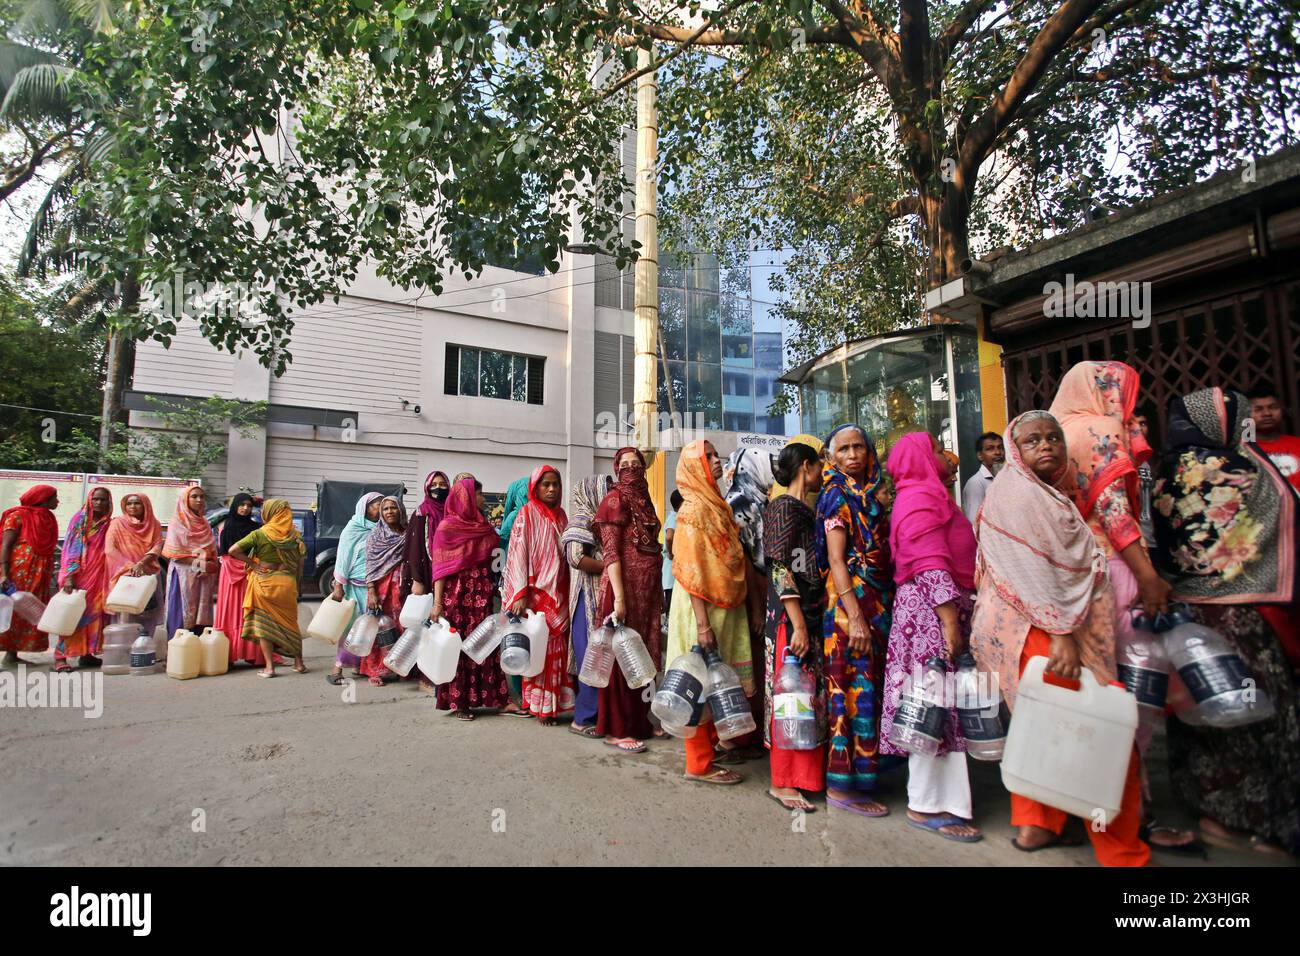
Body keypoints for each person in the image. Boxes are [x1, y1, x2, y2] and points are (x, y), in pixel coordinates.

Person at [972, 409, 1149, 866]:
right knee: (1099, 733)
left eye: (1053, 438)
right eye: (1032, 441)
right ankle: (1122, 850)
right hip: (1043, 631)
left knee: (1044, 728)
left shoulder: (1052, 496)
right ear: (1015, 449)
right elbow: (1032, 576)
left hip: (1035, 630)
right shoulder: (1020, 496)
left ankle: (1038, 825)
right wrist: (1062, 634)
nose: (1047, 445)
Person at [1049, 361, 1193, 851]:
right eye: (1125, 391)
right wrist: (1150, 577)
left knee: (1086, 694)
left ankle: (1080, 806)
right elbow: (1114, 513)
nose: (1127, 402)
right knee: (1129, 696)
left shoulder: (1054, 433)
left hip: (1069, 579)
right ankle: (1132, 816)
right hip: (1113, 572)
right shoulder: (1099, 430)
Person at [1154, 387, 1300, 857]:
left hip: (1187, 616)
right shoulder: (1235, 468)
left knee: (1204, 710)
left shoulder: (1164, 472)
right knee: (1256, 712)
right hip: (1238, 613)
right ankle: (1251, 818)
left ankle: (1213, 812)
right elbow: (1282, 512)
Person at [881, 433, 982, 841]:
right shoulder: (919, 499)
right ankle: (926, 804)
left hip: (935, 612)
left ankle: (946, 801)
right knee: (930, 705)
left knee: (942, 706)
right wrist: (949, 623)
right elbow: (929, 564)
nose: (948, 456)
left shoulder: (929, 495)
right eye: (939, 450)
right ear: (922, 458)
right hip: (929, 615)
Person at [815, 424, 895, 814]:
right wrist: (856, 617)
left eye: (859, 447)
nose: (852, 455)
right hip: (848, 610)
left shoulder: (873, 496)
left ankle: (866, 779)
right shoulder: (836, 496)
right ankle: (843, 788)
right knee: (847, 691)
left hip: (875, 604)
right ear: (831, 457)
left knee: (869, 688)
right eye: (844, 449)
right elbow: (835, 560)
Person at [665, 439, 752, 784]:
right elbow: (689, 570)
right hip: (700, 609)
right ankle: (698, 764)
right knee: (699, 680)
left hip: (724, 607)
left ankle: (711, 750)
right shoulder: (693, 512)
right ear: (694, 467)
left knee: (717, 679)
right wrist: (702, 625)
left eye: (716, 455)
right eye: (708, 457)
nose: (717, 461)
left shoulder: (717, 506)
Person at [763, 441, 827, 812]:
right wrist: (798, 622)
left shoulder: (804, 510)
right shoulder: (783, 509)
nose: (822, 473)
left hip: (808, 613)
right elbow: (777, 566)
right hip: (792, 617)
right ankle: (784, 781)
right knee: (792, 696)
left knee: (806, 696)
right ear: (807, 466)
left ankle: (804, 776)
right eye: (820, 466)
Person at [594, 447, 664, 752]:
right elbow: (611, 552)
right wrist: (619, 600)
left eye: (637, 464)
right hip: (622, 589)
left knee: (642, 654)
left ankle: (639, 720)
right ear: (616, 469)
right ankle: (618, 729)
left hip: (645, 590)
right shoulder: (614, 499)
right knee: (622, 655)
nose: (632, 469)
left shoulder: (645, 502)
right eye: (625, 465)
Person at [430, 477, 509, 719]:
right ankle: (460, 702)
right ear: (466, 497)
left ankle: (495, 699)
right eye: (479, 494)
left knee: (485, 643)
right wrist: (437, 603)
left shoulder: (483, 525)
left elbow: (496, 557)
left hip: (482, 594)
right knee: (459, 648)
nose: (483, 499)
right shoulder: (447, 529)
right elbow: (441, 570)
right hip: (458, 597)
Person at [503, 466, 574, 723]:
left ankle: (556, 704)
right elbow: (517, 554)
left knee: (558, 648)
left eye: (555, 484)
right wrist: (520, 593)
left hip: (561, 591)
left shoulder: (563, 516)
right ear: (535, 487)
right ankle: (539, 706)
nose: (552, 489)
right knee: (538, 649)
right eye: (546, 484)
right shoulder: (526, 514)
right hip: (535, 594)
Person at [227, 498, 307, 677]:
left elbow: (233, 550)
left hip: (264, 582)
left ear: (269, 513)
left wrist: (253, 565)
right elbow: (300, 565)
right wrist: (298, 587)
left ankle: (270, 668)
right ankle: (299, 663)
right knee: (291, 624)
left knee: (264, 627)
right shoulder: (296, 536)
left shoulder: (260, 533)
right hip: (287, 583)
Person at [562, 473, 613, 739]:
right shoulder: (582, 520)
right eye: (606, 491)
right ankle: (582, 718)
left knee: (601, 656)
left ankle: (599, 714)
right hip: (587, 597)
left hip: (601, 597)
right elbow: (575, 557)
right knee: (589, 658)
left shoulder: (599, 519)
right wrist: (609, 565)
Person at [54, 487, 113, 672]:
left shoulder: (108, 523)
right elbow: (72, 548)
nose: (99, 503)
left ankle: (87, 654)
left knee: (94, 617)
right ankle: (60, 657)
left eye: (103, 500)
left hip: (99, 577)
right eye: (95, 499)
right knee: (71, 616)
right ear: (89, 500)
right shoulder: (80, 520)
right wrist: (70, 576)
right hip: (80, 576)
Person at [0, 485, 60, 664]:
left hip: (40, 572)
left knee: (31, 610)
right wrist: (4, 573)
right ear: (43, 498)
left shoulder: (47, 518)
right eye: (54, 497)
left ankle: (14, 653)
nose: (57, 501)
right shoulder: (17, 516)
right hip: (19, 571)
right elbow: (5, 545)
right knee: (14, 610)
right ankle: (9, 653)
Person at [327, 492, 382, 686]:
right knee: (351, 629)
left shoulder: (382, 529)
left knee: (371, 630)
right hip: (354, 587)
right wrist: (339, 585)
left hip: (375, 585)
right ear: (365, 508)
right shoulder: (353, 529)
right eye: (376, 505)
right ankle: (337, 669)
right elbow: (343, 557)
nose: (380, 508)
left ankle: (362, 666)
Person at [405, 471, 451, 695]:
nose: (439, 488)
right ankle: (425, 676)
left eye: (443, 484)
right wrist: (417, 579)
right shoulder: (421, 512)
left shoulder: (451, 511)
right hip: (426, 572)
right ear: (427, 487)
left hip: (447, 575)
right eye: (435, 484)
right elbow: (413, 548)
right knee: (427, 627)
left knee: (442, 627)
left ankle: (441, 673)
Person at [215, 493, 266, 666]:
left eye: (249, 505)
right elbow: (225, 553)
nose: (245, 508)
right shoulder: (226, 526)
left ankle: (253, 654)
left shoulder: (256, 527)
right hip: (231, 576)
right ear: (235, 505)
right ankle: (228, 654)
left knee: (250, 611)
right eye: (242, 505)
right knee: (230, 611)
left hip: (250, 575)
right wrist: (250, 563)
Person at [104, 493, 165, 635]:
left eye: (137, 503)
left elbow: (157, 546)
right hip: (124, 576)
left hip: (148, 575)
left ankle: (144, 647)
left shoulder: (154, 524)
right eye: (129, 503)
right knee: (125, 614)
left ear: (145, 506)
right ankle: (125, 649)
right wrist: (132, 567)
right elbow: (110, 550)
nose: (132, 506)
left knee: (148, 612)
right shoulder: (117, 524)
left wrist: (142, 564)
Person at [362, 496, 407, 686]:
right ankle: (375, 671)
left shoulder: (408, 533)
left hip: (402, 588)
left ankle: (398, 667)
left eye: (393, 508)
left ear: (400, 510)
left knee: (401, 628)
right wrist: (371, 592)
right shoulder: (376, 536)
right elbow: (370, 566)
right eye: (385, 509)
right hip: (380, 589)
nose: (389, 512)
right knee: (377, 629)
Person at [163, 485, 216, 638]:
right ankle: (176, 654)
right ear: (185, 499)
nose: (199, 500)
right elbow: (174, 553)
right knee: (182, 615)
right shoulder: (177, 522)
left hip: (203, 577)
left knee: (201, 617)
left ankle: (197, 653)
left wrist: (209, 565)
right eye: (194, 497)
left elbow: (211, 551)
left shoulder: (204, 523)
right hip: (183, 575)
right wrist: (201, 564)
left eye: (201, 496)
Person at [498, 475, 532, 711]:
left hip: (526, 581)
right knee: (518, 635)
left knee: (527, 635)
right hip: (516, 582)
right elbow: (503, 549)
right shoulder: (516, 517)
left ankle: (527, 692)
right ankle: (520, 693)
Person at [1247, 386, 1300, 493]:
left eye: (1273, 407)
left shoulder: (1298, 444)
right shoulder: (1241, 449)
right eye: (1258, 409)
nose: (1267, 413)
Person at [961, 432, 1003, 522]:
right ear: (980, 456)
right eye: (990, 449)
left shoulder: (1005, 479)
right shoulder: (975, 483)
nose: (998, 452)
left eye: (1000, 447)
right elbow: (974, 521)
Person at [662, 489, 682, 611]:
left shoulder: (673, 517)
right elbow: (669, 537)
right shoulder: (675, 518)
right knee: (673, 611)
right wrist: (671, 553)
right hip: (672, 576)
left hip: (671, 576)